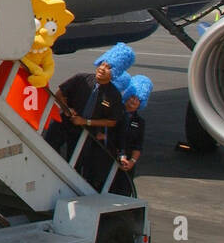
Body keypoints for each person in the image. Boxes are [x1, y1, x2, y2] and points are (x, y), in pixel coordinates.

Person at [46, 43, 133, 191]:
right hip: (64, 123)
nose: (102, 69)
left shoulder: (113, 95)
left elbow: (112, 121)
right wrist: (67, 109)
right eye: (102, 64)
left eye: (108, 68)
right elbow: (60, 93)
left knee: (75, 163)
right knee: (48, 149)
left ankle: (65, 189)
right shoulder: (81, 78)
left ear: (115, 72)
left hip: (85, 132)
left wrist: (86, 121)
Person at [118, 74, 151, 188]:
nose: (134, 101)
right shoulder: (115, 113)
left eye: (138, 99)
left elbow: (138, 145)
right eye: (132, 97)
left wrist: (132, 162)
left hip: (126, 164)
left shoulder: (140, 122)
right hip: (110, 158)